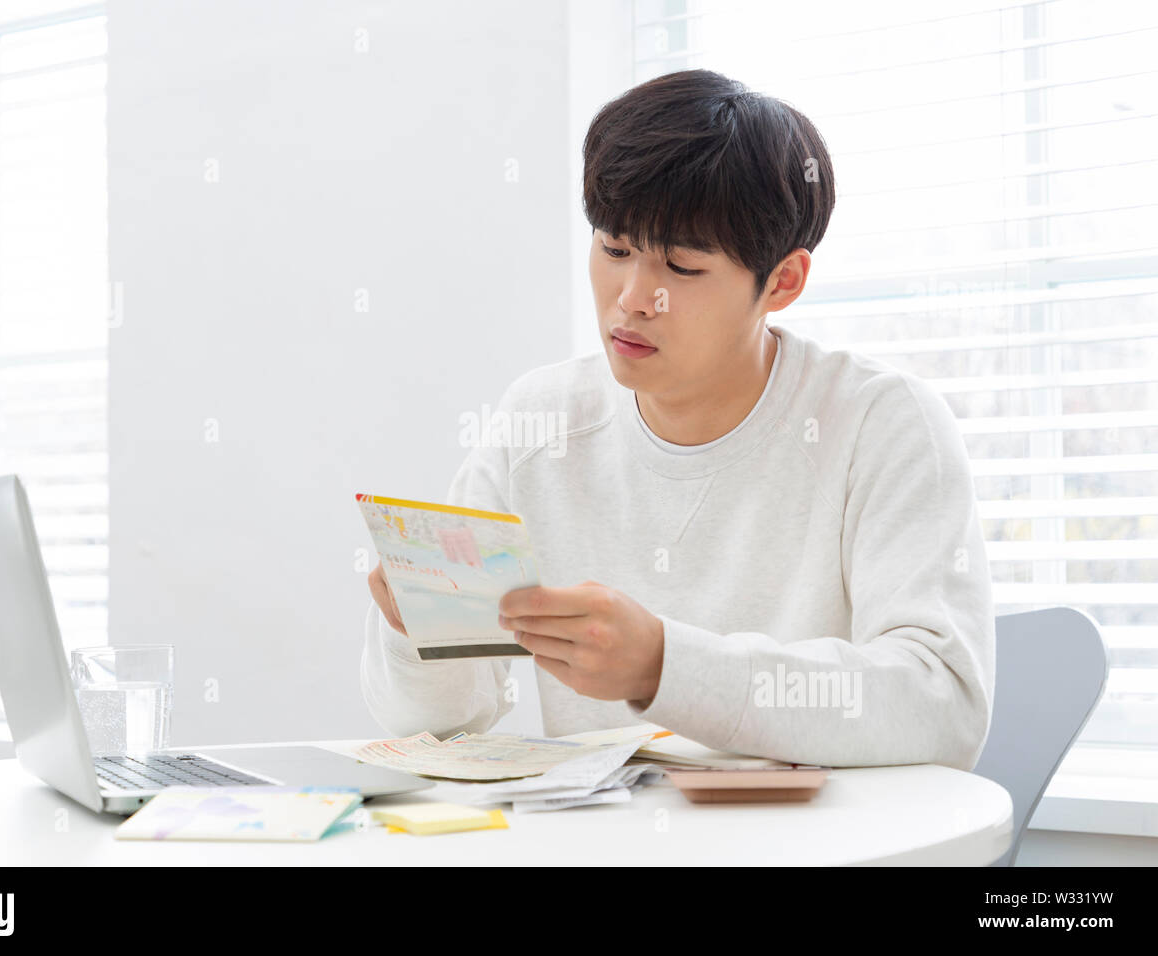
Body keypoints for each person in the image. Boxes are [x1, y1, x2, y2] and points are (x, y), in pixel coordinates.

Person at [361, 69, 995, 771]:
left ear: (781, 281)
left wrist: (664, 667)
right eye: (614, 248)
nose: (632, 299)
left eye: (682, 267)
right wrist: (417, 628)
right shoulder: (540, 421)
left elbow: (942, 709)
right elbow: (440, 734)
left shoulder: (882, 424)